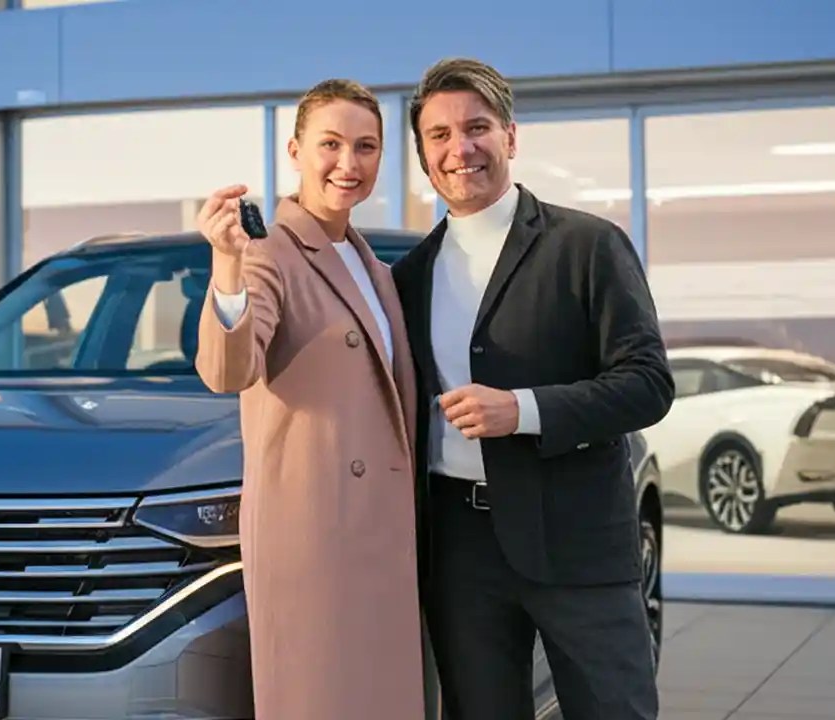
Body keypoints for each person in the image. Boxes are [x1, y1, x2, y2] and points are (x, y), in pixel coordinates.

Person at [391, 57, 675, 720]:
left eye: (477, 127)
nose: (460, 149)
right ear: (424, 155)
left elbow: (648, 384)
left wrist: (522, 410)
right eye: (439, 135)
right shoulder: (409, 276)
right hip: (461, 549)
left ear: (510, 137)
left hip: (578, 537)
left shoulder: (588, 246)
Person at [193, 79, 426, 720]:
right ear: (295, 151)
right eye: (330, 144)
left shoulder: (371, 265)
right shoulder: (270, 252)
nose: (348, 163)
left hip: (379, 536)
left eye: (366, 147)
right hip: (317, 542)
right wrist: (227, 264)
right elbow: (228, 370)